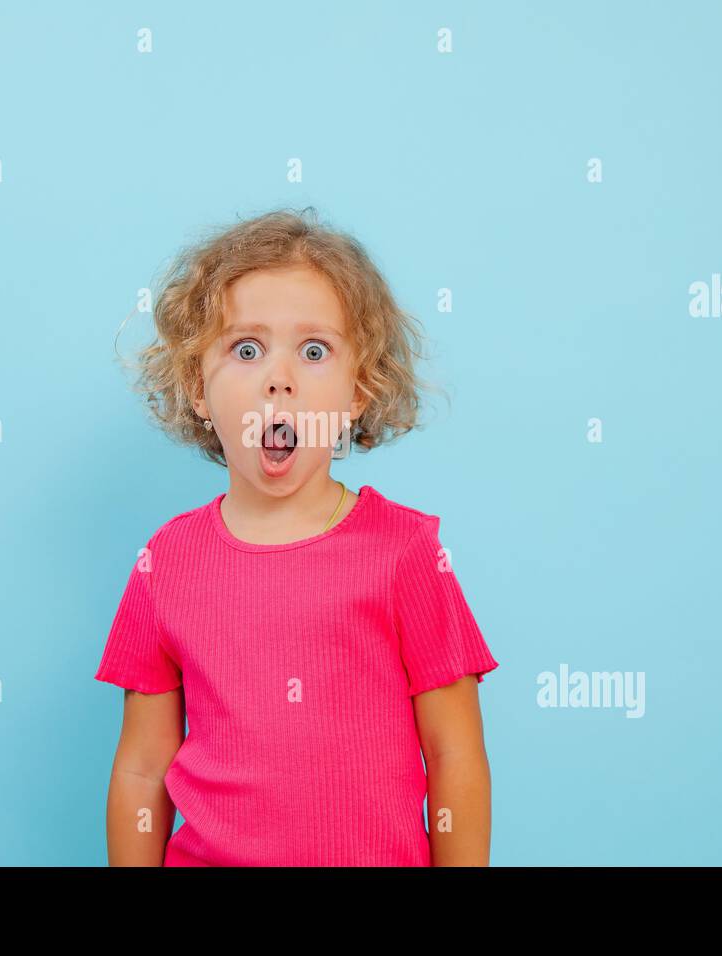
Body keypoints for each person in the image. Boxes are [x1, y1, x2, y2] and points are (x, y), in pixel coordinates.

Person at [94, 207, 499, 866]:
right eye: (246, 348)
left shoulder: (407, 552)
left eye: (314, 351)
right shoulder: (164, 562)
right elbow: (141, 769)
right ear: (198, 385)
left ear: (357, 391)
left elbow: (455, 757)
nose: (278, 378)